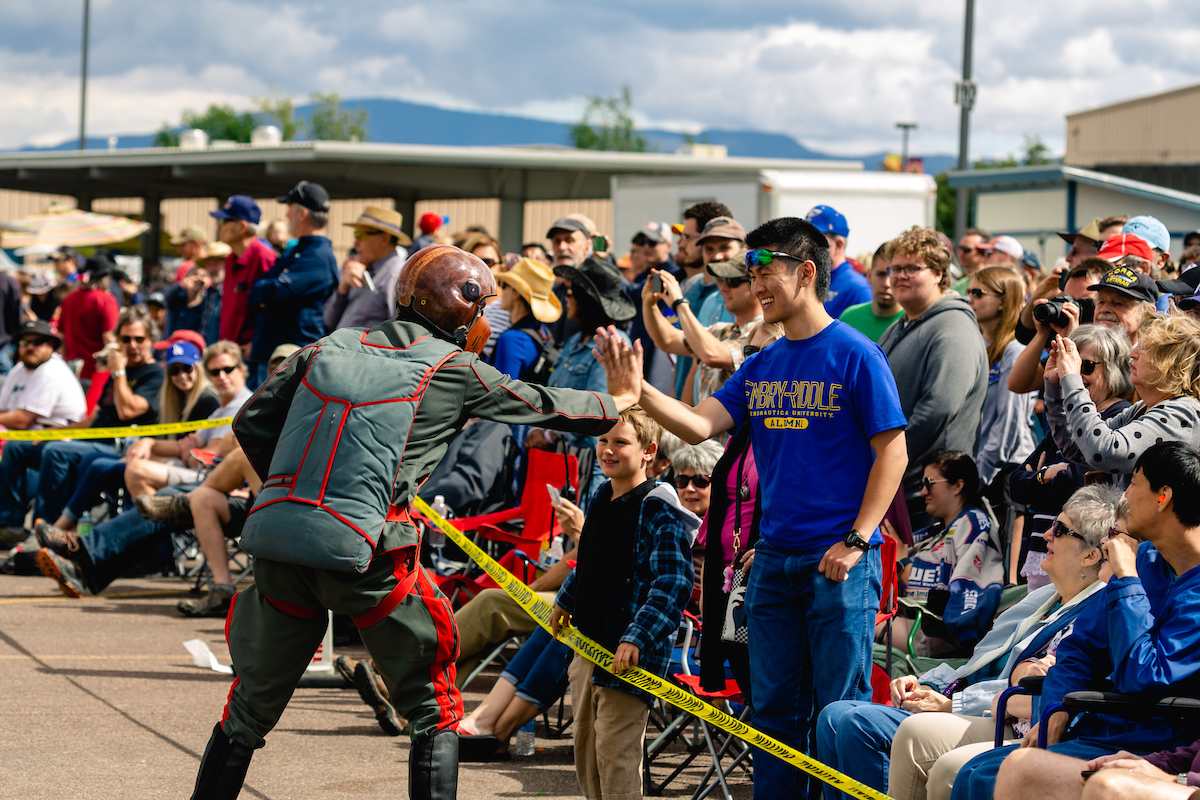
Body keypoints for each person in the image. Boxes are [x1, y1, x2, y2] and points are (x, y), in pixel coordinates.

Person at [184, 244, 638, 800]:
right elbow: (544, 404)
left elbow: (252, 421)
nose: (485, 323)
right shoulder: (453, 368)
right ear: (460, 309)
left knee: (247, 709)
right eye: (481, 309)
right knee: (434, 707)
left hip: (279, 545)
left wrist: (292, 489)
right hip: (372, 557)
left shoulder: (328, 345)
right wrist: (620, 399)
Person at [595, 216, 908, 799]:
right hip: (772, 563)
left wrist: (858, 539)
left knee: (840, 713)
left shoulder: (856, 355)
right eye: (750, 272)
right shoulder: (762, 363)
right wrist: (638, 391)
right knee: (772, 713)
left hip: (838, 564)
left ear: (806, 272)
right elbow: (699, 424)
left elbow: (893, 451)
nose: (755, 285)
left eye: (765, 270)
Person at [817, 484, 1120, 800]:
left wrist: (952, 703)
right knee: (833, 716)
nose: (1045, 535)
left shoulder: (1094, 613)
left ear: (1090, 555)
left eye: (1060, 529)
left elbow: (1037, 688)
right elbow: (977, 665)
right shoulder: (1044, 598)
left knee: (857, 724)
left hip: (1000, 719)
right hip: (968, 701)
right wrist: (927, 684)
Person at [952, 441, 1200, 800]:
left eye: (1134, 483)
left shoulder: (1139, 569)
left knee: (989, 777)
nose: (1125, 496)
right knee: (977, 772)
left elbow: (1146, 677)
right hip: (1103, 727)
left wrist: (1127, 579)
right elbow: (1080, 648)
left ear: (1163, 497)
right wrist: (1055, 711)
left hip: (1158, 745)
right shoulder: (1146, 559)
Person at [548, 407, 698, 799]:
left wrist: (636, 637)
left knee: (616, 759)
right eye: (603, 441)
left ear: (649, 451)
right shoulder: (601, 495)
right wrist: (565, 599)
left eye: (620, 442)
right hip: (587, 646)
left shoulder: (659, 507)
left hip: (629, 659)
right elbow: (592, 562)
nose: (608, 450)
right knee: (587, 756)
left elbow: (673, 583)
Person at [0, 307, 163, 545]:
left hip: (121, 448)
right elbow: (91, 419)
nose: (132, 345)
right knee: (18, 447)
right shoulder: (119, 374)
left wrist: (118, 372)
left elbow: (127, 410)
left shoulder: (154, 374)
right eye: (126, 339)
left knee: (56, 451)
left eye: (139, 339)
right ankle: (9, 525)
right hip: (90, 440)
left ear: (151, 341)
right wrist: (52, 434)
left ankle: (46, 529)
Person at [1009, 325, 1132, 588]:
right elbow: (1015, 485)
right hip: (1044, 553)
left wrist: (1041, 479)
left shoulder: (1122, 418)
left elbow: (1076, 485)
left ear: (1113, 368)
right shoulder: (1065, 421)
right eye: (1070, 364)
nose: (1073, 374)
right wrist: (1044, 476)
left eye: (1085, 366)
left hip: (1084, 560)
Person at [878, 226, 988, 520]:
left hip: (930, 495)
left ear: (939, 273)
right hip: (898, 485)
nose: (900, 276)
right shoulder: (902, 325)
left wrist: (885, 458)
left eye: (912, 268)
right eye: (895, 268)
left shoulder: (954, 328)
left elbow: (937, 409)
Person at [1044, 313, 1200, 485]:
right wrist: (1055, 386)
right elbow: (1079, 448)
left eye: (1146, 348)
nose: (1133, 353)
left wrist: (1073, 380)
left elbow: (1104, 451)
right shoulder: (1144, 407)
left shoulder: (1182, 413)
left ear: (1171, 363)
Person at [528, 254, 635, 502]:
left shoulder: (613, 343)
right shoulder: (575, 341)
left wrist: (548, 435)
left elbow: (597, 411)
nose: (566, 299)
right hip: (560, 461)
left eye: (571, 293)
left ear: (588, 301)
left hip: (589, 465)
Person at [641, 216, 782, 404]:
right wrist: (649, 303)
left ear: (756, 283)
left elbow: (712, 354)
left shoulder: (768, 331)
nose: (723, 287)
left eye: (733, 281)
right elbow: (668, 340)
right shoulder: (722, 330)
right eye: (721, 279)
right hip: (707, 422)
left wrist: (679, 303)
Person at [891, 451, 1002, 656]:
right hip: (914, 621)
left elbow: (963, 594)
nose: (923, 492)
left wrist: (902, 563)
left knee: (856, 622)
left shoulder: (974, 525)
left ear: (958, 486)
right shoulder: (936, 531)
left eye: (929, 483)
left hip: (937, 634)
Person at [246, 181, 338, 388]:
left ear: (301, 213)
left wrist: (264, 289)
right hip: (278, 358)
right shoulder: (299, 251)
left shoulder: (317, 256)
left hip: (291, 361)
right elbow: (260, 288)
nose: (286, 215)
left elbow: (271, 291)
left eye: (289, 208)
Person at [967, 266, 1036, 507]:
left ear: (1002, 301)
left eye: (978, 293)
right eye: (969, 292)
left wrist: (981, 473)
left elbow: (1009, 420)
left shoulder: (1014, 350)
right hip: (982, 463)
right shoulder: (978, 345)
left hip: (1006, 468)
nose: (970, 299)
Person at [213, 194, 276, 380]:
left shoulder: (264, 258)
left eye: (225, 220)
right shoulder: (231, 258)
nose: (220, 225)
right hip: (229, 353)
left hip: (251, 357)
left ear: (241, 226)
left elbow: (274, 308)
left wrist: (257, 342)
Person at [325, 206, 409, 331]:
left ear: (384, 238)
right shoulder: (361, 267)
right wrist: (343, 287)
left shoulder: (397, 275)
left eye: (360, 234)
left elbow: (399, 332)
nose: (355, 243)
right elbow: (328, 321)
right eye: (355, 234)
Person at [0, 320, 85, 432]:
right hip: (24, 434)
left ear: (51, 346)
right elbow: (3, 409)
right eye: (25, 342)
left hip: (55, 436)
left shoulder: (52, 371)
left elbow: (22, 421)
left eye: (38, 342)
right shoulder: (18, 369)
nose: (30, 347)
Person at [489, 257, 561, 381]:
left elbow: (501, 390)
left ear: (516, 292)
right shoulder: (543, 332)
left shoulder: (511, 339)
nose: (500, 289)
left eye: (504, 285)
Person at [58, 256, 120, 382]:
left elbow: (62, 337)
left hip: (70, 371)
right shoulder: (106, 300)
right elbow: (109, 337)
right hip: (96, 373)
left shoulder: (69, 299)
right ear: (103, 278)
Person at [805, 204, 870, 318]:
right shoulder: (808, 280)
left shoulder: (858, 288)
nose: (807, 246)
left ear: (839, 244)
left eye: (815, 240)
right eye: (806, 239)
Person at [840, 241, 904, 342]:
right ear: (869, 276)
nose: (886, 284)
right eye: (881, 274)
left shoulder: (911, 323)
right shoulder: (849, 318)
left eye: (893, 274)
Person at [952, 228, 992, 295]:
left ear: (984, 252)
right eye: (960, 248)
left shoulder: (993, 283)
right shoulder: (958, 284)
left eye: (966, 250)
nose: (961, 253)